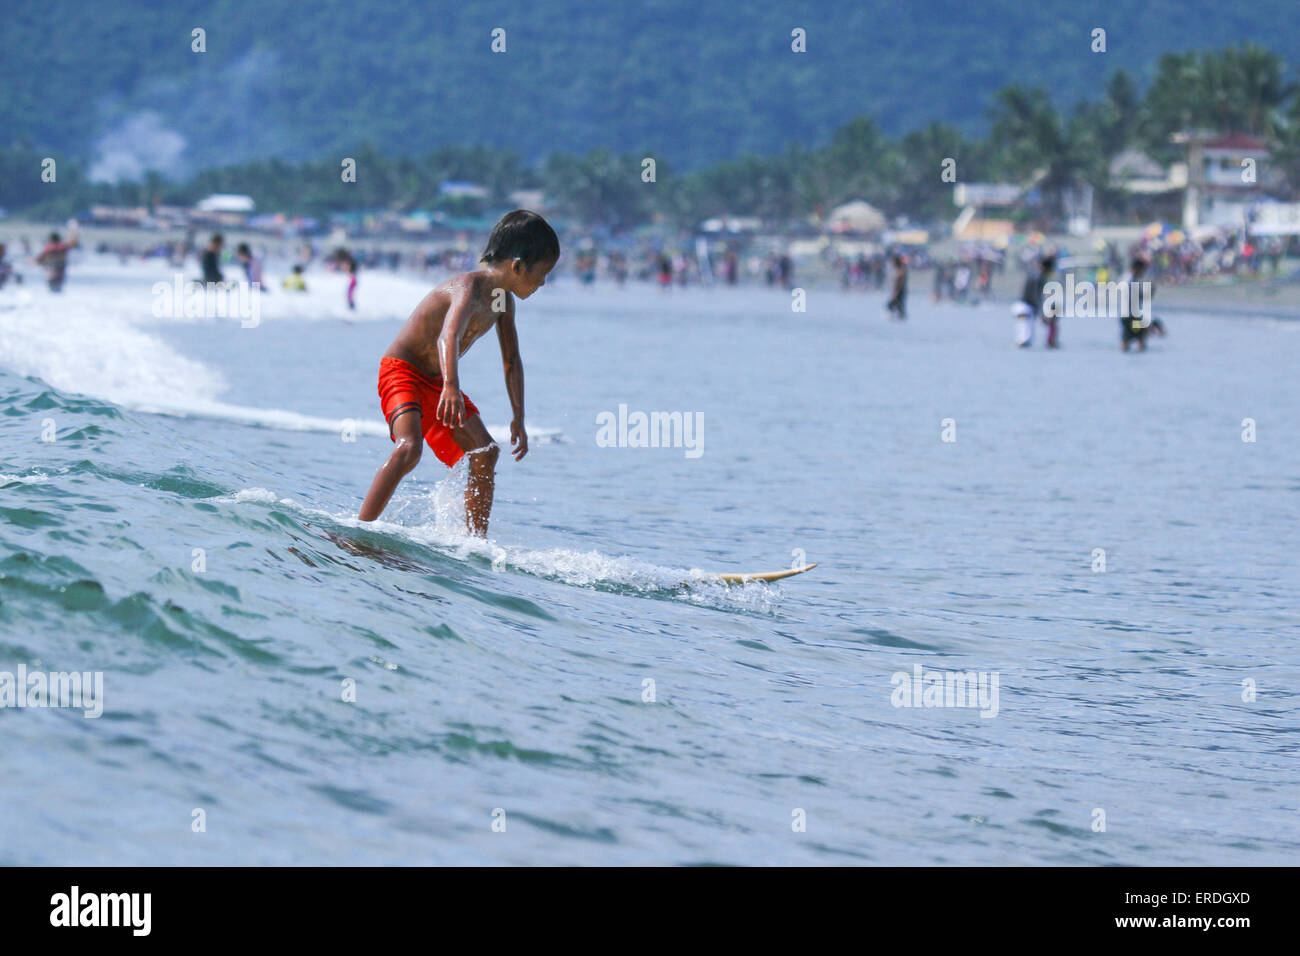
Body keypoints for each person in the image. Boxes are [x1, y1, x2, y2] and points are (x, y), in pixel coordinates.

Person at [358, 210, 559, 535]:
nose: (543, 282)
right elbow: (447, 336)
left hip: (439, 381)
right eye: (542, 273)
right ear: (518, 265)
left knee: (485, 451)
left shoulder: (503, 303)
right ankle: (360, 531)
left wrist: (518, 416)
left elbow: (511, 360)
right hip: (403, 371)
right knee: (410, 449)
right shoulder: (468, 287)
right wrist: (451, 387)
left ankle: (473, 542)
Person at [1014, 255, 1055, 348]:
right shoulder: (1039, 278)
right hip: (1026, 308)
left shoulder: (1034, 275)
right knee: (1025, 340)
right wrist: (1041, 314)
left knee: (1025, 339)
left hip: (1023, 307)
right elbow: (1035, 297)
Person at [36, 223, 79, 292]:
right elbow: (73, 243)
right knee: (57, 286)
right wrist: (73, 230)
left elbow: (40, 259)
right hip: (59, 271)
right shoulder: (63, 246)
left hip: (52, 271)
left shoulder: (49, 247)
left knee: (53, 284)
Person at [885, 253, 908, 319]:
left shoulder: (901, 268)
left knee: (898, 300)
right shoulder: (900, 268)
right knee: (897, 301)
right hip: (899, 287)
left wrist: (897, 288)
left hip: (900, 287)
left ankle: (900, 314)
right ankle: (898, 313)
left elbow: (900, 279)